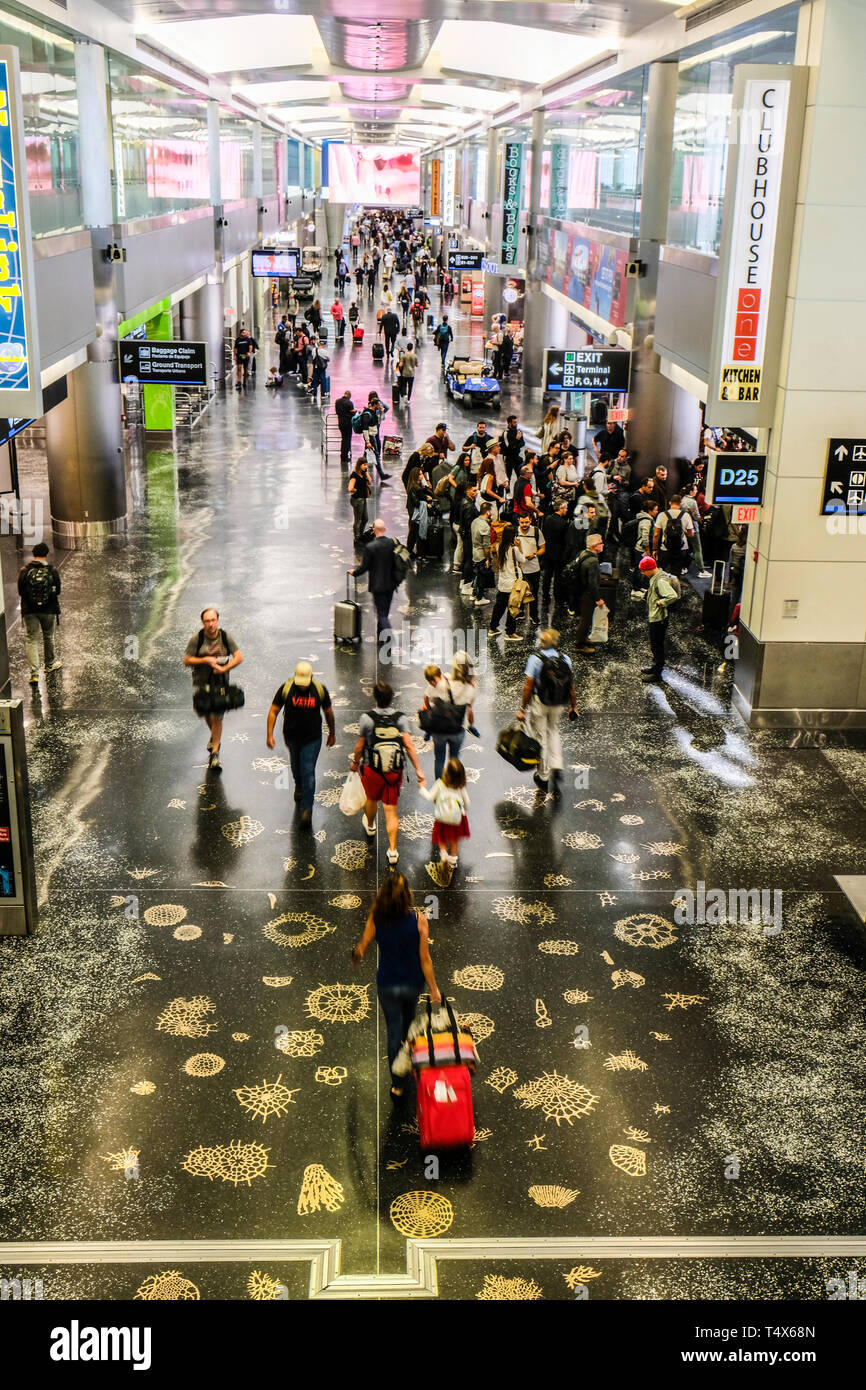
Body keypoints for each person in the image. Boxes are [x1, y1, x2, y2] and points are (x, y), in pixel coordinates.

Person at [351, 875, 439, 1099]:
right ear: (407, 896)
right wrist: (434, 988)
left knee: (393, 1032)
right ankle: (409, 1063)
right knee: (409, 1025)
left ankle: (397, 1084)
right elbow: (425, 959)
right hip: (412, 984)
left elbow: (363, 945)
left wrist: (358, 954)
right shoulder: (419, 920)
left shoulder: (376, 918)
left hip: (388, 984)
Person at [349, 680, 426, 867]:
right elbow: (408, 745)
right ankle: (392, 850)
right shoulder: (400, 719)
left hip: (372, 769)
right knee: (391, 811)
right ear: (392, 698)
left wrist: (355, 762)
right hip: (393, 771)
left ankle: (370, 826)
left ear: (375, 698)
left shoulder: (367, 719)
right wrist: (418, 770)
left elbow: (360, 746)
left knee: (371, 799)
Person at [266, 661, 335, 829]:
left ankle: (306, 810)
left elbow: (328, 712)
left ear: (311, 678)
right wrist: (269, 734)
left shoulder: (319, 690)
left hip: (312, 739)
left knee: (308, 771)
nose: (302, 687)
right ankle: (298, 784)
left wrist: (332, 732)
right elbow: (274, 710)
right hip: (291, 737)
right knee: (296, 768)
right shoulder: (286, 689)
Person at [517, 628, 577, 794]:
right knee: (554, 732)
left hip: (540, 702)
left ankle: (543, 776)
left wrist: (523, 709)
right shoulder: (565, 659)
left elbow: (528, 686)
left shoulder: (535, 660)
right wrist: (574, 706)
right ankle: (557, 765)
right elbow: (571, 685)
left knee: (540, 737)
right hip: (559, 702)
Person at [183, 607, 243, 773]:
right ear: (203, 623)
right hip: (201, 683)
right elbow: (187, 660)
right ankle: (214, 737)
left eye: (213, 620)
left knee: (217, 716)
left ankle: (215, 753)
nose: (211, 624)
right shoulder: (198, 639)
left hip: (220, 683)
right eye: (207, 621)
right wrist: (205, 660)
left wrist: (225, 668)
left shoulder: (225, 637)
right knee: (206, 713)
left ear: (217, 620)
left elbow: (239, 656)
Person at [420, 655, 477, 779]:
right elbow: (469, 709)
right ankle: (453, 784)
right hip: (457, 728)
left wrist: (429, 710)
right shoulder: (471, 689)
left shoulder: (442, 682)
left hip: (439, 728)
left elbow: (428, 698)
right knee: (454, 758)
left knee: (439, 758)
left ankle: (439, 786)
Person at [419, 757, 470, 883]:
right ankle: (453, 860)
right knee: (454, 839)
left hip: (442, 817)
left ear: (446, 773)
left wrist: (422, 788)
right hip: (457, 818)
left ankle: (444, 854)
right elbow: (467, 802)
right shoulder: (460, 786)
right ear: (462, 776)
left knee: (441, 837)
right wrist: (463, 810)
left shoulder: (440, 784)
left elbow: (430, 797)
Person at [19, 541, 62, 685]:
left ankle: (34, 673)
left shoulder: (24, 571)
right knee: (48, 636)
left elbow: (21, 592)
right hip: (48, 609)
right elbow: (58, 591)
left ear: (33, 555)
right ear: (46, 555)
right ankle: (50, 665)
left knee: (31, 638)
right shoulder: (52, 570)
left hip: (30, 610)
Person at [351, 519, 398, 637]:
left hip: (378, 586)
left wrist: (354, 572)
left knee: (381, 614)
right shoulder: (391, 543)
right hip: (391, 584)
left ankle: (388, 636)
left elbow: (364, 567)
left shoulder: (371, 547)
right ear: (385, 529)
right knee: (385, 612)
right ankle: (381, 635)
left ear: (373, 530)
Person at [638, 555, 678, 683]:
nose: (642, 573)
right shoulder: (656, 576)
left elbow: (673, 596)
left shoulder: (660, 581)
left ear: (650, 569)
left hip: (658, 619)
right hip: (656, 617)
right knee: (655, 645)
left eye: (643, 570)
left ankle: (657, 674)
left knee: (657, 646)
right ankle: (655, 667)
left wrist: (662, 602)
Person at [569, 532, 607, 654]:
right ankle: (579, 645)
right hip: (588, 595)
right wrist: (598, 599)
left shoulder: (583, 553)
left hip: (580, 591)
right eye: (601, 543)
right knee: (585, 620)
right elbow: (592, 583)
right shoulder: (593, 561)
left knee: (585, 619)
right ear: (595, 546)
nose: (603, 544)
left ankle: (583, 639)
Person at [488, 524, 523, 641]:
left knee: (499, 607)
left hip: (502, 583)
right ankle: (510, 632)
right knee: (513, 608)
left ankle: (492, 628)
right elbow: (522, 559)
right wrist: (519, 545)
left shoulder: (499, 546)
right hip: (513, 583)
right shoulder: (514, 549)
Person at [652, 493, 693, 580]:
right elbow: (691, 534)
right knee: (676, 572)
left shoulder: (662, 515)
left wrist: (654, 549)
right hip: (681, 548)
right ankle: (674, 590)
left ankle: (662, 590)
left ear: (670, 503)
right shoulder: (686, 515)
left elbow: (656, 534)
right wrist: (683, 531)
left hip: (665, 547)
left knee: (662, 572)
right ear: (680, 503)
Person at [541, 499, 571, 611]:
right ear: (561, 508)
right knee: (558, 577)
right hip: (559, 554)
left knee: (547, 575)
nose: (567, 510)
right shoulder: (564, 523)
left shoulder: (547, 519)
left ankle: (545, 595)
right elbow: (566, 540)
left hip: (548, 552)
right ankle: (558, 598)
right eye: (566, 508)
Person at [516, 512, 544, 627]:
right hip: (520, 569)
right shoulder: (514, 532)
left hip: (534, 568)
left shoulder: (536, 532)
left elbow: (543, 548)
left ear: (530, 521)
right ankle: (520, 612)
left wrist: (534, 554)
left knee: (534, 593)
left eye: (526, 522)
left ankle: (534, 615)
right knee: (519, 592)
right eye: (522, 522)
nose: (524, 525)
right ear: (518, 521)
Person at [348, 456, 372, 544]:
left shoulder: (363, 473)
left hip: (363, 499)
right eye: (364, 465)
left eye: (367, 465)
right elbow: (350, 488)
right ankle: (357, 537)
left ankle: (360, 534)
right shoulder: (354, 475)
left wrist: (366, 473)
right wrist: (356, 490)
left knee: (365, 518)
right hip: (357, 500)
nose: (366, 467)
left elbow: (370, 482)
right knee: (358, 519)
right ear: (360, 465)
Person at [335, 389, 355, 464]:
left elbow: (337, 412)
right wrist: (354, 412)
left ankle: (343, 455)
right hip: (348, 423)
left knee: (343, 439)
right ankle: (344, 457)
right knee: (347, 440)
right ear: (349, 396)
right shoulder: (349, 403)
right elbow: (352, 414)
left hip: (340, 423)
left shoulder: (337, 401)